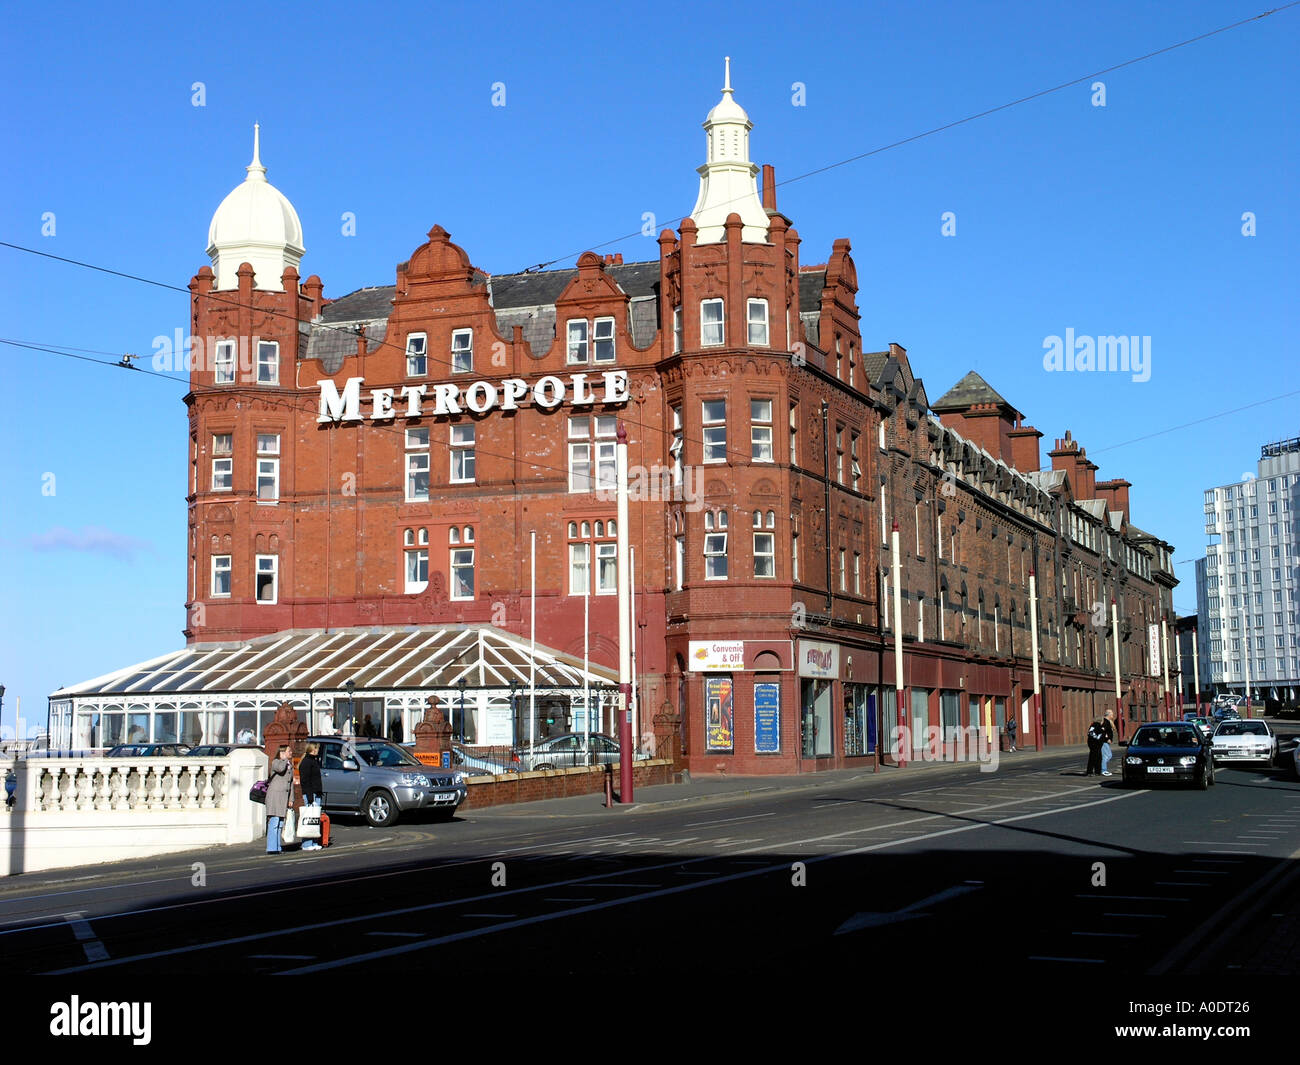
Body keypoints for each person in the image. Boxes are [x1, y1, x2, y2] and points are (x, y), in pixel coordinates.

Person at [264, 744, 294, 854]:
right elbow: (280, 769)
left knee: (280, 823)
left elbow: (290, 784)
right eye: (288, 751)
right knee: (274, 822)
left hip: (283, 797)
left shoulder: (290, 764)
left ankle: (277, 847)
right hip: (275, 797)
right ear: (282, 753)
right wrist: (284, 760)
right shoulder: (276, 762)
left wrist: (291, 799)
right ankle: (271, 848)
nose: (291, 753)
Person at [297, 742, 325, 851]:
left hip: (316, 793)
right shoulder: (307, 762)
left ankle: (314, 842)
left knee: (314, 819)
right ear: (312, 749)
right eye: (316, 748)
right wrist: (309, 797)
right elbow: (305, 781)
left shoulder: (313, 761)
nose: (318, 750)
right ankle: (306, 843)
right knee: (309, 818)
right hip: (311, 794)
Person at [1100, 711, 1116, 776]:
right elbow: (1103, 731)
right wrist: (1107, 739)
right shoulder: (1105, 722)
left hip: (1105, 741)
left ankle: (1101, 768)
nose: (1113, 716)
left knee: (1107, 755)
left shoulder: (1108, 721)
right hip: (1104, 742)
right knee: (1107, 755)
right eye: (1112, 714)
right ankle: (1103, 770)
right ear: (1109, 715)